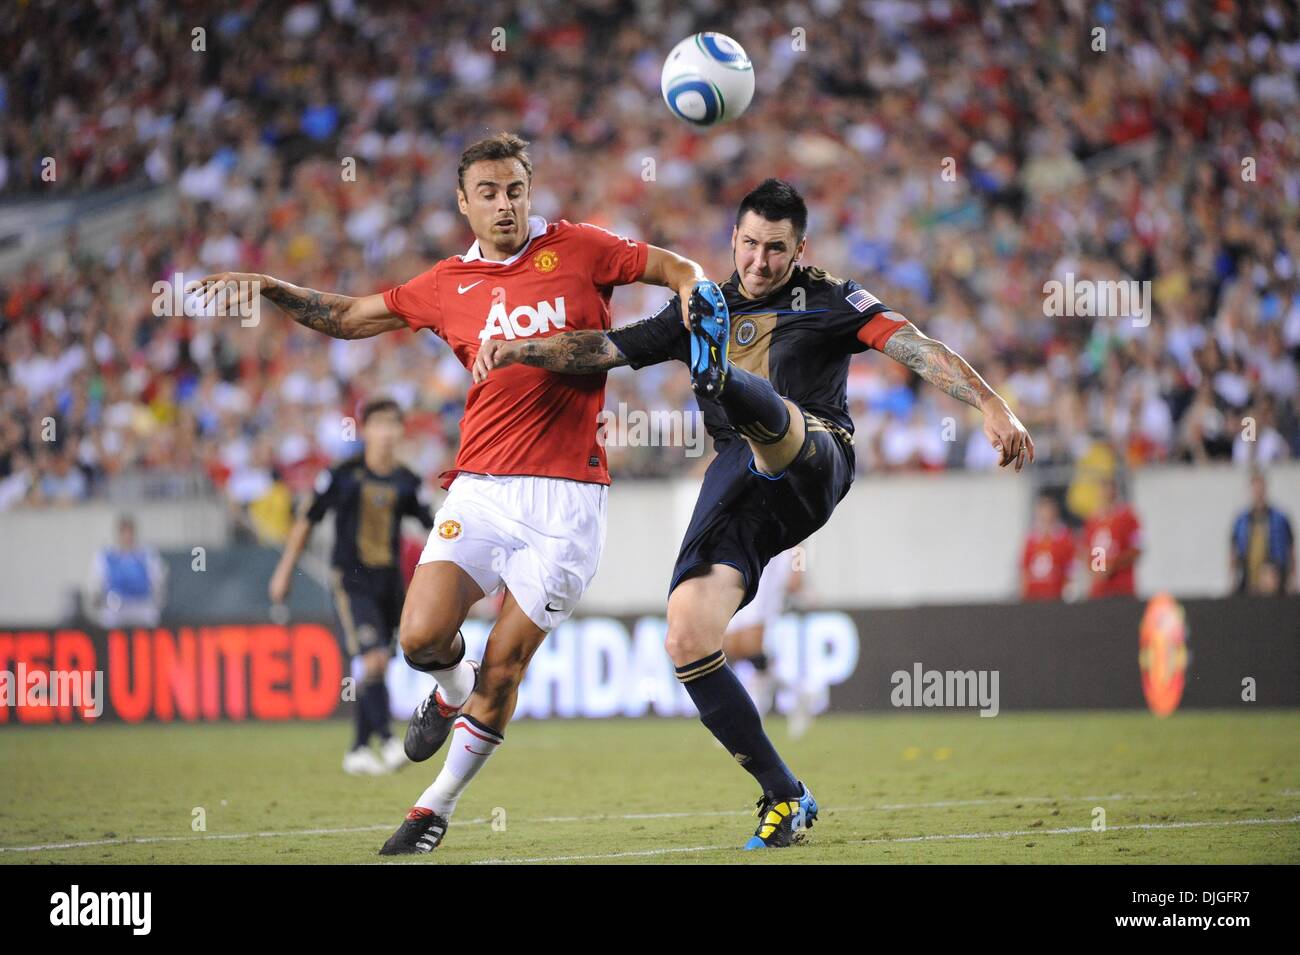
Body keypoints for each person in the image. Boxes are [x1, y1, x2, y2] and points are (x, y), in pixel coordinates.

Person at [475, 178, 1034, 848]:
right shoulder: (702, 303)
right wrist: (517, 350)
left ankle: (724, 381)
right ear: (732, 238)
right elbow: (605, 348)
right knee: (685, 635)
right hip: (740, 484)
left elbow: (914, 346)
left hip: (817, 456)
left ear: (800, 248)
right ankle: (785, 793)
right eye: (749, 244)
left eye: (776, 248)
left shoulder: (831, 298)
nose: (760, 261)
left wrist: (991, 404)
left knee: (777, 428)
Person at [196, 132, 710, 854]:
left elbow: (676, 267)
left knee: (506, 668)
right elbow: (349, 318)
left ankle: (435, 804)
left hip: (568, 501)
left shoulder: (583, 248)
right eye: (490, 193)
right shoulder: (445, 284)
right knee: (418, 637)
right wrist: (274, 287)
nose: (506, 205)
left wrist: (695, 293)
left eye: (516, 190)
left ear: (531, 192)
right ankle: (447, 690)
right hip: (481, 488)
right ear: (463, 203)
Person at [270, 398, 433, 776]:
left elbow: (433, 525)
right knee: (372, 658)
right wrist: (283, 572)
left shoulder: (406, 481)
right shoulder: (342, 475)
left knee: (378, 664)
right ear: (366, 430)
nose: (387, 432)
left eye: (393, 424)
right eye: (379, 424)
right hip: (351, 580)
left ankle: (358, 748)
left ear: (399, 431)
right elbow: (308, 520)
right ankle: (388, 740)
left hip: (391, 583)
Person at [722, 546, 816, 738]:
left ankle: (748, 721)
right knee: (731, 645)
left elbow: (800, 541)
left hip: (771, 562)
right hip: (743, 562)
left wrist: (798, 571)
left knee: (751, 644)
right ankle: (799, 694)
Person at [87, 514, 167, 627]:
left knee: (151, 616)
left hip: (141, 604)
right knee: (107, 618)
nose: (127, 536)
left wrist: (157, 600)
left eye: (130, 533)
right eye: (124, 533)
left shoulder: (147, 555)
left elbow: (158, 580)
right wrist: (96, 597)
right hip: (116, 607)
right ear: (119, 534)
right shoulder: (106, 556)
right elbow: (96, 581)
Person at [1229, 470, 1295, 596]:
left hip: (1277, 583)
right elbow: (1234, 550)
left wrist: (1291, 578)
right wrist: (1232, 579)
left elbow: (1290, 548)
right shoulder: (1241, 521)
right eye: (1255, 488)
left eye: (1261, 487)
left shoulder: (1280, 519)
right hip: (1248, 581)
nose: (1258, 492)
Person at [1080, 476, 1143, 599]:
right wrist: (1095, 571)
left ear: (1115, 492)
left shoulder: (1128, 517)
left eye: (1109, 489)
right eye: (1103, 489)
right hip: (1099, 590)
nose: (1105, 494)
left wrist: (1113, 566)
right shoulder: (1092, 521)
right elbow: (1087, 551)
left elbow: (1137, 549)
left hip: (1122, 587)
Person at [1020, 493, 1076, 601]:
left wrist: (1068, 591)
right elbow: (1024, 569)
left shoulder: (1064, 537)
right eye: (1043, 510)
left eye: (1048, 510)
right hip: (1033, 596)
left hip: (1055, 596)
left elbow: (1071, 567)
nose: (1046, 514)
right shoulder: (1031, 539)